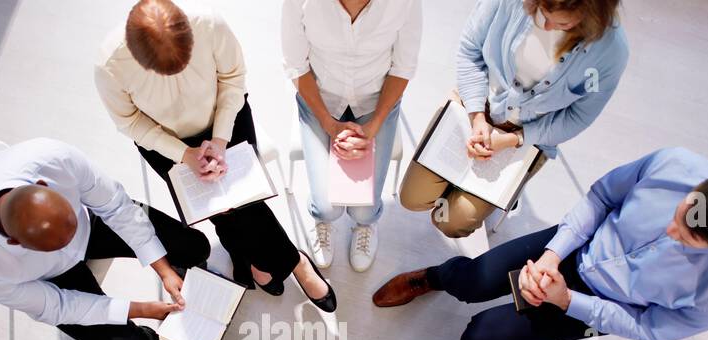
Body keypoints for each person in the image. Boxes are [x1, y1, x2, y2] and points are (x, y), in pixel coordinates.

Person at [377, 148, 708, 340]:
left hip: (596, 303)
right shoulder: (674, 165)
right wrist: (552, 255)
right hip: (574, 244)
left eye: (686, 240)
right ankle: (434, 278)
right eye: (679, 215)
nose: (670, 231)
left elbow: (646, 327)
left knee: (482, 332)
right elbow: (601, 197)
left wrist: (567, 300)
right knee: (472, 280)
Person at [96, 0, 337, 312]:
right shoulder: (109, 67)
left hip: (226, 116)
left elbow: (233, 79)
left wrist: (220, 139)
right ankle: (279, 260)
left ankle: (272, 261)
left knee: (244, 199)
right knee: (215, 206)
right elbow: (129, 122)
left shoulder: (210, 24)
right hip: (165, 140)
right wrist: (184, 154)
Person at [0, 137, 208, 340]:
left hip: (92, 222)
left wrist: (163, 270)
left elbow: (116, 206)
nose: (71, 248)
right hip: (51, 279)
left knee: (194, 246)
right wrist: (143, 309)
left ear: (44, 185)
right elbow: (58, 306)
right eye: (57, 244)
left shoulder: (53, 158)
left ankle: (180, 274)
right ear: (17, 244)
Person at [399, 0, 628, 238]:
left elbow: (577, 117)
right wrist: (477, 117)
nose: (547, 27)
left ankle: (501, 187)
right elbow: (470, 49)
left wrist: (514, 139)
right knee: (413, 199)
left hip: (530, 132)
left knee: (452, 222)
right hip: (479, 102)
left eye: (562, 22)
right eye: (540, 13)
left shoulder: (611, 52)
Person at [282, 0, 422, 271]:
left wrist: (374, 125)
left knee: (364, 210)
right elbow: (296, 66)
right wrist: (328, 123)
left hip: (375, 101)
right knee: (326, 208)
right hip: (321, 99)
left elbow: (403, 67)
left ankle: (366, 225)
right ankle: (321, 222)